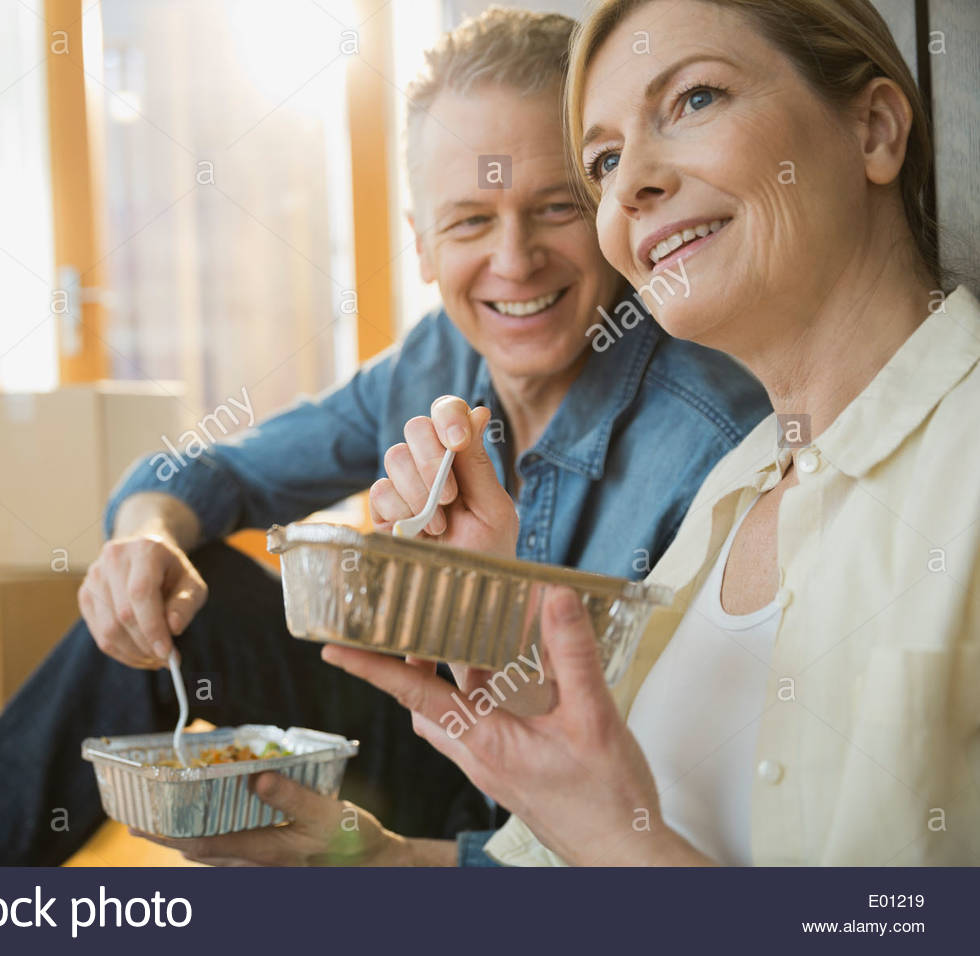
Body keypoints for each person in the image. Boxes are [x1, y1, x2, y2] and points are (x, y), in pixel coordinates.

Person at [0, 8, 769, 867]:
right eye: (470, 220)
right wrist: (143, 539)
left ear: (612, 204)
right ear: (421, 245)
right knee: (165, 597)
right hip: (430, 743)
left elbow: (665, 805)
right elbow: (213, 473)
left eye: (555, 208)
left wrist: (392, 858)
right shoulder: (433, 356)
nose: (514, 260)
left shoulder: (715, 438)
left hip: (574, 821)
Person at [301, 0, 980, 866]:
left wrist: (618, 843)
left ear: (875, 129)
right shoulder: (736, 491)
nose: (631, 185)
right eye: (605, 161)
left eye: (695, 100)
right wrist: (371, 857)